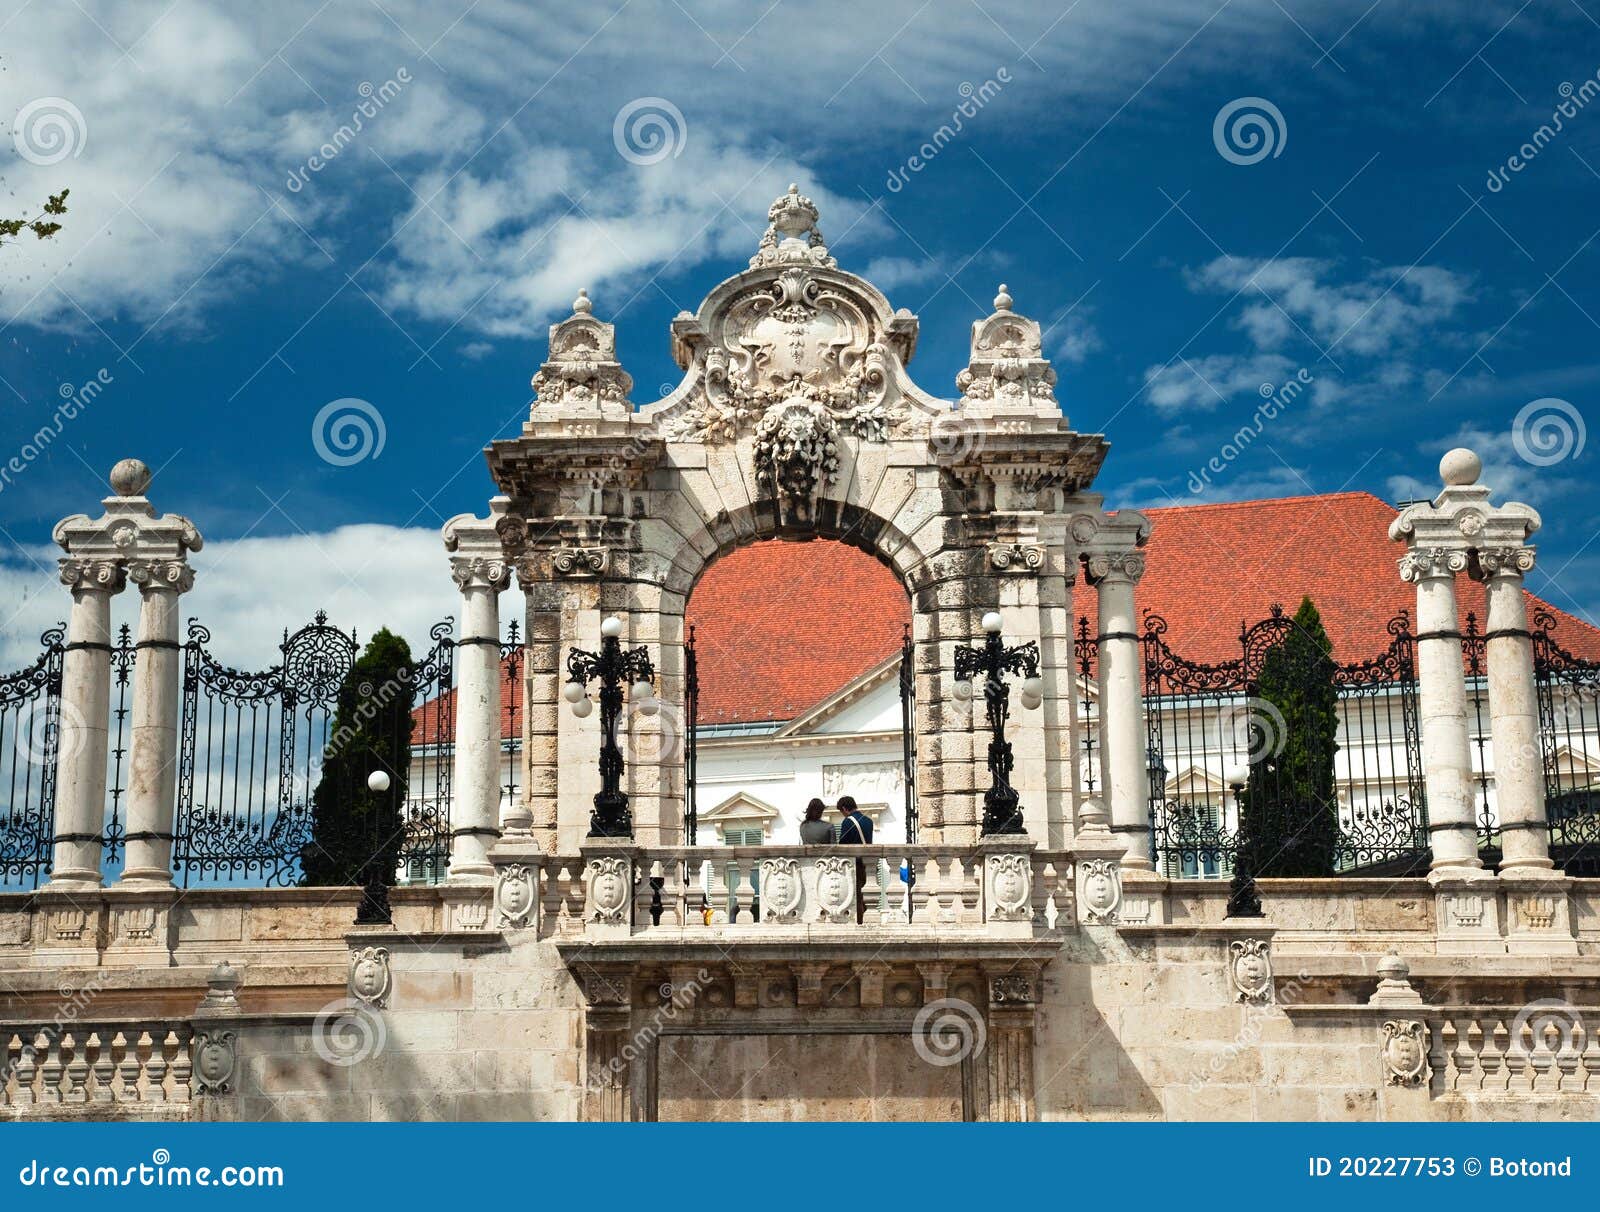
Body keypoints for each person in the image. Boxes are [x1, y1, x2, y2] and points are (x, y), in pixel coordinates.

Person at [836, 795, 873, 924]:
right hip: (868, 862)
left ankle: (860, 921)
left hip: (855, 863)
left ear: (844, 809)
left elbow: (842, 845)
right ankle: (869, 918)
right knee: (866, 893)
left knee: (856, 893)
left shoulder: (848, 822)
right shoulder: (869, 821)